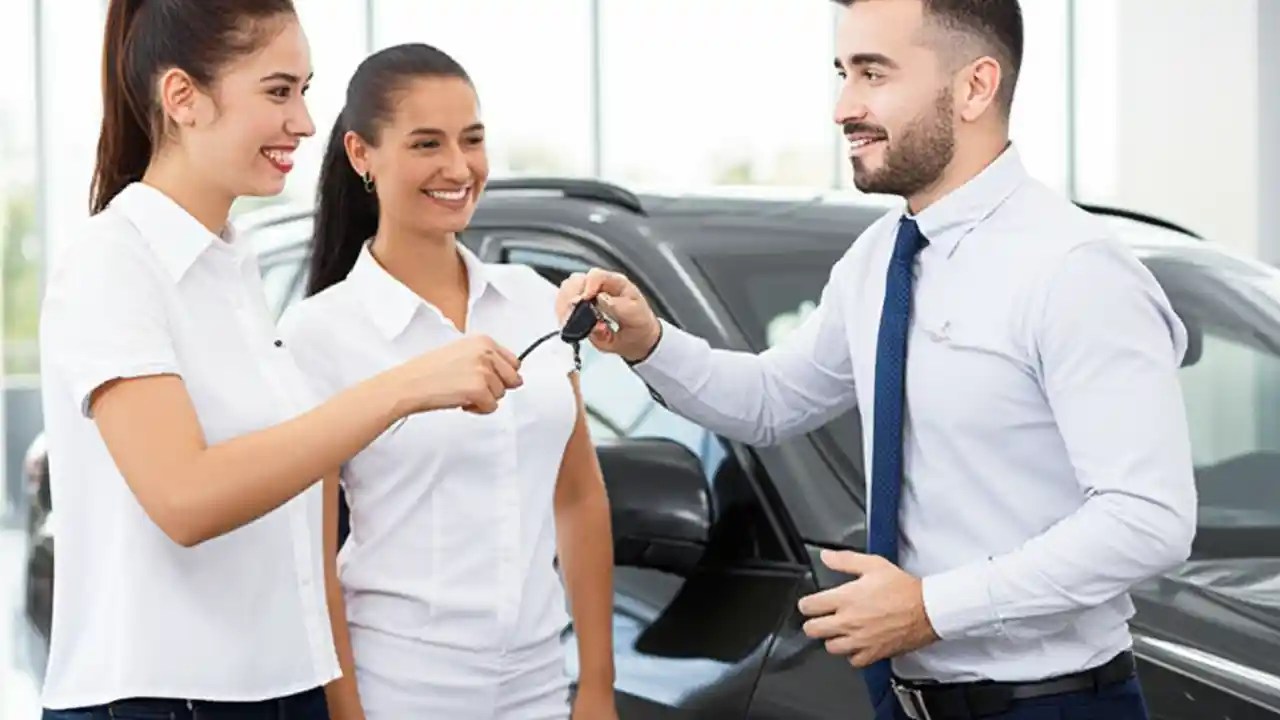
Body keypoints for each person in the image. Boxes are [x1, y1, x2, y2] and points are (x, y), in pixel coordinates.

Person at [556, 0, 1197, 718]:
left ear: (975, 87)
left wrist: (931, 609)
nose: (843, 108)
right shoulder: (880, 257)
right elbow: (771, 400)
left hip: (1052, 705)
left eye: (873, 74)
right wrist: (649, 342)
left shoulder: (1074, 269)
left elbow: (1148, 518)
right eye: (843, 73)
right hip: (905, 702)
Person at [38, 4, 522, 719]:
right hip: (168, 700)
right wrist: (402, 388)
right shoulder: (113, 261)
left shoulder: (232, 268)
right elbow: (185, 498)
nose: (304, 121)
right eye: (278, 92)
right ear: (183, 98)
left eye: (304, 91)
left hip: (277, 689)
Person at [276, 43, 618, 720]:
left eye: (473, 140)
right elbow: (310, 560)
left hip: (541, 686)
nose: (458, 168)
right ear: (361, 154)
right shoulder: (318, 334)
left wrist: (597, 688)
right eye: (427, 143)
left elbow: (578, 497)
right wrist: (347, 713)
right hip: (401, 690)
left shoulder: (532, 299)